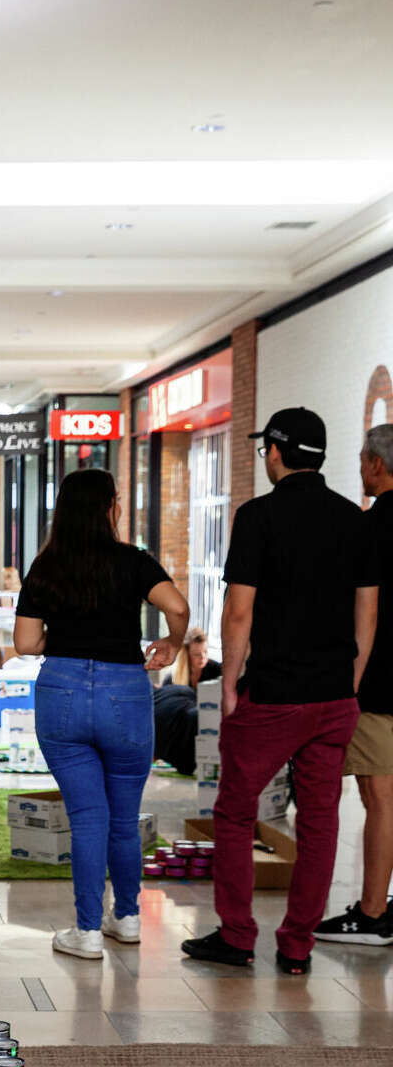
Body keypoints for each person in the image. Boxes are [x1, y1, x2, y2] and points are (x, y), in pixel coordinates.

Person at [182, 408, 378, 975]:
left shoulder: (258, 516)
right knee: (319, 823)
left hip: (272, 696)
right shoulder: (354, 520)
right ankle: (296, 948)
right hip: (334, 698)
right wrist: (353, 684)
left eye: (265, 448)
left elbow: (237, 614)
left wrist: (232, 684)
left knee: (236, 814)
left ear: (275, 450)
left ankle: (238, 937)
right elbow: (368, 614)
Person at [13, 468, 189, 959]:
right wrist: (172, 644)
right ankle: (128, 918)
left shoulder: (47, 565)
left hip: (62, 692)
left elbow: (26, 642)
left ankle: (87, 930)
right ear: (111, 506)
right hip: (125, 694)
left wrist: (65, 645)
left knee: (87, 818)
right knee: (123, 817)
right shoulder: (131, 561)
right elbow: (176, 605)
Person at [317, 422, 393, 945]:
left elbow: (357, 609)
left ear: (375, 464)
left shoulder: (372, 526)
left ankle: (371, 914)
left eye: (363, 458)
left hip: (380, 680)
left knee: (381, 798)